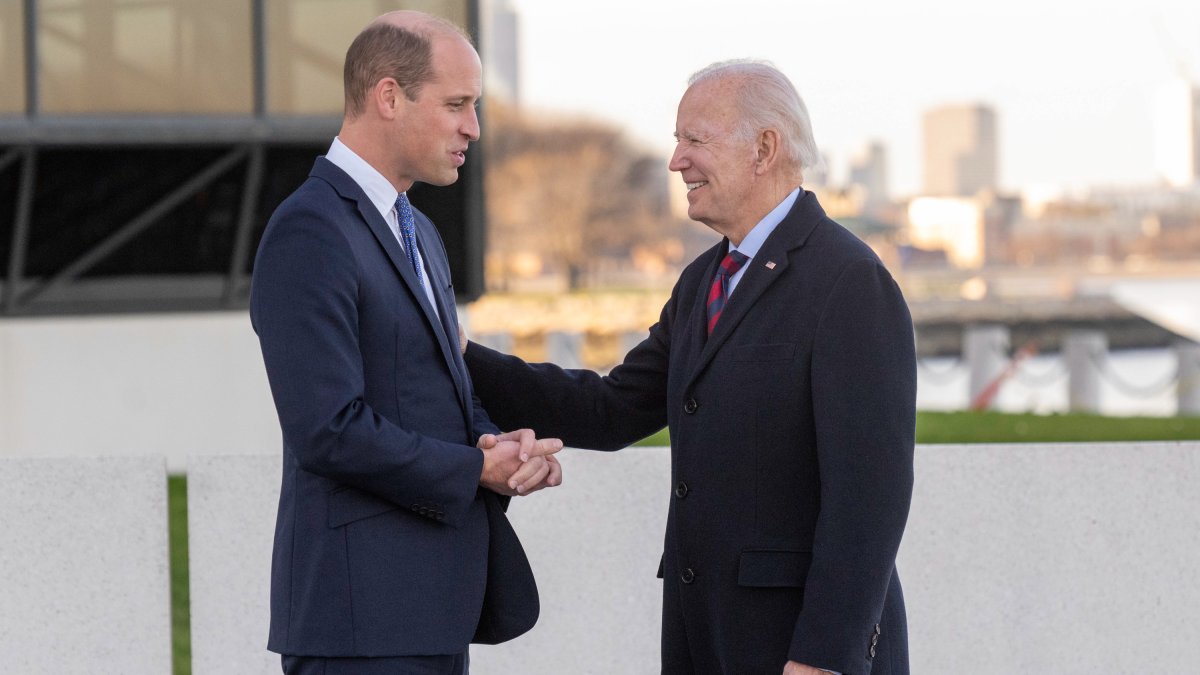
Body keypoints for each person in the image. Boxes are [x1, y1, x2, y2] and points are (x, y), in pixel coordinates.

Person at [463, 60, 916, 675]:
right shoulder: (703, 281)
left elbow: (870, 497)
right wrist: (460, 357)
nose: (676, 160)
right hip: (702, 632)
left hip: (796, 650)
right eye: (678, 141)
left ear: (764, 148)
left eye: (694, 140)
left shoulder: (848, 281)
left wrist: (823, 658)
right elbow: (611, 408)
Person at [250, 11, 561, 674]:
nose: (473, 128)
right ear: (388, 97)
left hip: (429, 611)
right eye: (457, 105)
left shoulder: (418, 228)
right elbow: (328, 427)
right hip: (359, 626)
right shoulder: (309, 230)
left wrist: (493, 443)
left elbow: (435, 388)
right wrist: (474, 471)